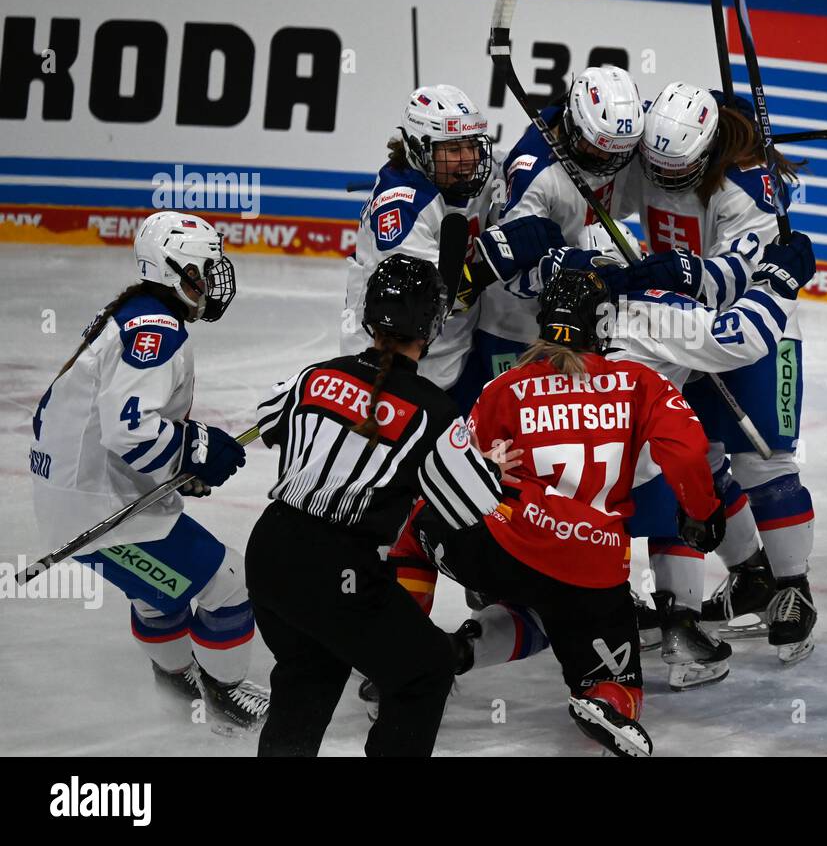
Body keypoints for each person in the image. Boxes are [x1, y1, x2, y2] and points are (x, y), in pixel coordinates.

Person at [411, 267, 724, 756]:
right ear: (603, 325)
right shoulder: (642, 382)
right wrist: (701, 514)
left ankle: (411, 650)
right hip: (591, 573)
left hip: (506, 551)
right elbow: (686, 453)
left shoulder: (506, 387)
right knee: (619, 685)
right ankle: (602, 699)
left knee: (418, 520)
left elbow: (452, 469)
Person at [247, 254, 515, 757]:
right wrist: (492, 466)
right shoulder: (433, 408)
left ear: (370, 315)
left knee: (311, 671)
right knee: (426, 670)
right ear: (432, 327)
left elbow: (268, 424)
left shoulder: (313, 376)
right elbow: (468, 505)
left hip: (268, 552)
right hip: (337, 568)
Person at [28, 210, 267, 731]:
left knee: (157, 591)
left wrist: (184, 455)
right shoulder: (156, 329)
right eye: (203, 269)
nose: (212, 280)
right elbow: (128, 430)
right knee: (230, 582)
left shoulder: (135, 314)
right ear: (171, 270)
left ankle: (175, 682)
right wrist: (195, 448)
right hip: (99, 504)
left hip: (75, 489)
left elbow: (115, 420)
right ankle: (225, 694)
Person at [618, 80, 817, 664]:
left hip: (757, 326)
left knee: (763, 460)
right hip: (678, 328)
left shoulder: (747, 187)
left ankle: (793, 591)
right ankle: (749, 574)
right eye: (655, 166)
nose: (663, 177)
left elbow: (738, 274)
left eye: (677, 169)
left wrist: (677, 271)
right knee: (691, 454)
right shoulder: (654, 155)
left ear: (706, 151)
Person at [470, 64, 645, 379]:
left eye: (620, 151)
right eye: (598, 147)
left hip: (585, 318)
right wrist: (578, 266)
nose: (609, 161)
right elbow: (511, 275)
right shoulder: (532, 175)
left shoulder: (613, 131)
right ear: (573, 124)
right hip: (518, 326)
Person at [341, 84, 497, 411]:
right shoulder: (399, 209)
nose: (469, 159)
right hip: (395, 375)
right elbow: (427, 302)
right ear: (419, 149)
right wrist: (496, 262)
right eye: (454, 150)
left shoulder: (458, 178)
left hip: (452, 359)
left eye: (472, 146)